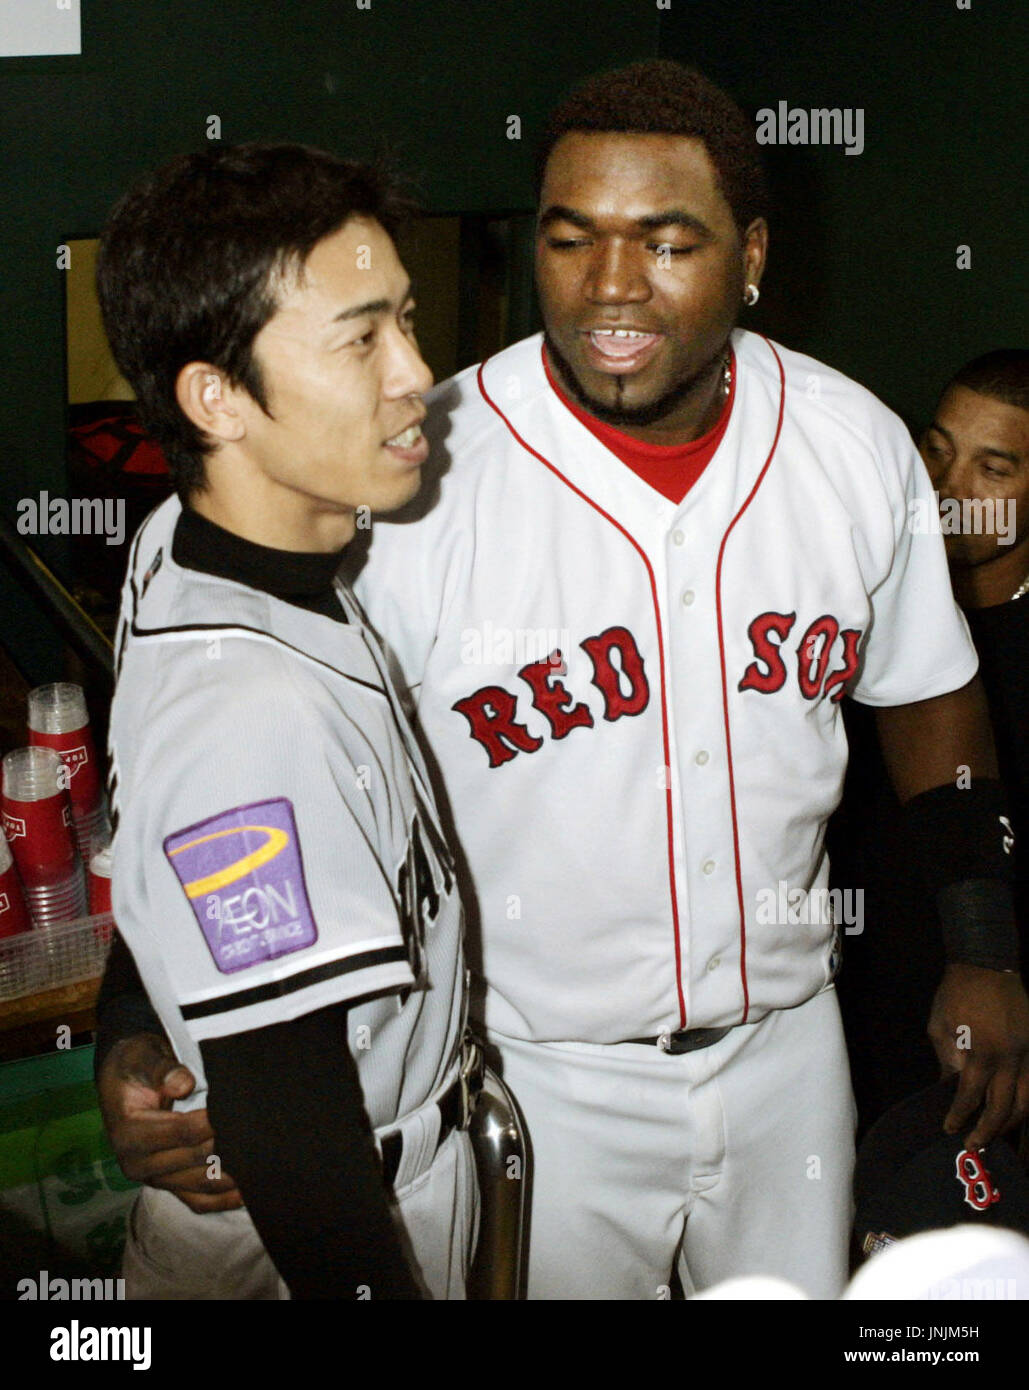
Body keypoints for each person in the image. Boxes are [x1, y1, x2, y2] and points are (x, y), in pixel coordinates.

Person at [96, 62, 1029, 1300]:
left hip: (789, 1053)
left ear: (752, 255)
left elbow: (928, 692)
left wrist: (985, 943)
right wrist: (137, 1019)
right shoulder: (404, 472)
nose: (610, 287)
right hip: (536, 1069)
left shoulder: (853, 445)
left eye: (666, 241)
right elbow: (214, 797)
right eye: (571, 238)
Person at [94, 143, 476, 1299]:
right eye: (361, 338)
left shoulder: (182, 540)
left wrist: (130, 1031)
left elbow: (166, 874)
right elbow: (292, 1137)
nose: (416, 371)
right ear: (218, 397)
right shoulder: (250, 708)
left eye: (405, 319)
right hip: (316, 1240)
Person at [835, 351, 1029, 1133]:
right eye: (935, 451)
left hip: (988, 1044)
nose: (948, 492)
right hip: (843, 1013)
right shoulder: (848, 612)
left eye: (995, 467)